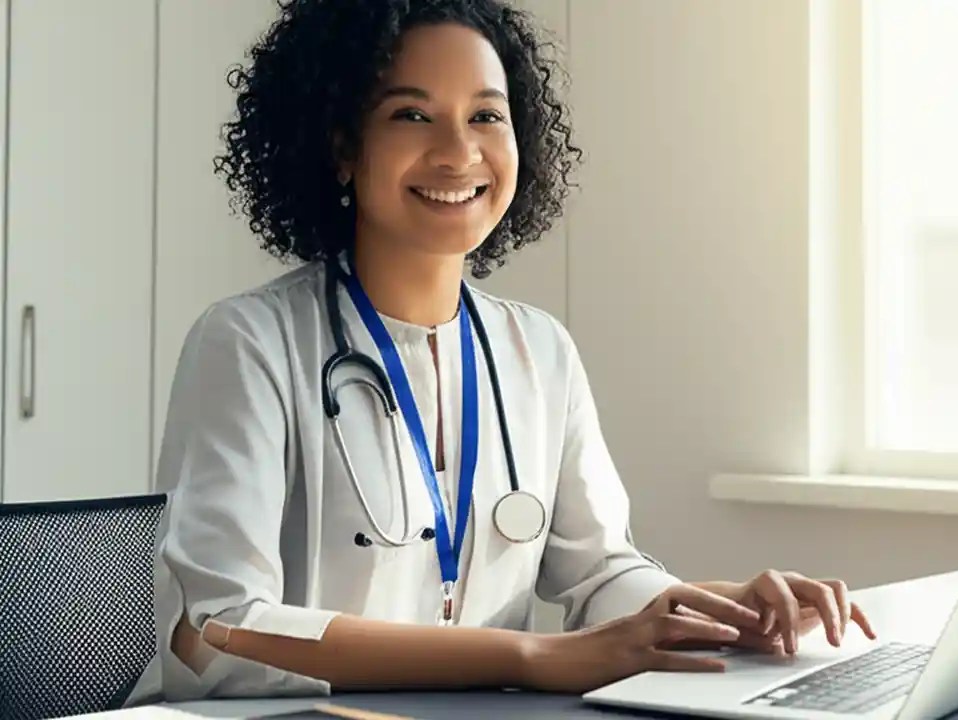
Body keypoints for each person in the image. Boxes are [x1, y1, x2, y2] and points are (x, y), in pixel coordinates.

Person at [127, 0, 874, 703]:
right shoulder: (250, 344)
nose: (459, 152)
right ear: (343, 145)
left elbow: (599, 572)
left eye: (486, 115)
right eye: (412, 115)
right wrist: (527, 657)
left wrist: (717, 611)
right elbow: (219, 629)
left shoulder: (539, 351)